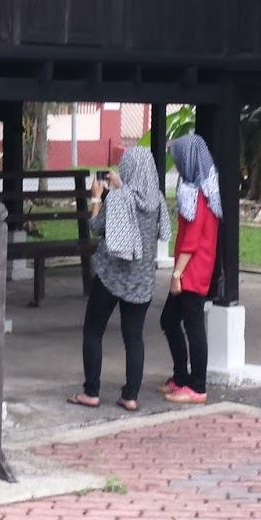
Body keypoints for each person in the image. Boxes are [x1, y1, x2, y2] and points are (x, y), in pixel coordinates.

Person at [69, 144, 169, 411]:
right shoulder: (157, 199)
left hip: (112, 277)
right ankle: (130, 396)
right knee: (133, 336)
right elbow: (139, 206)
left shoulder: (117, 198)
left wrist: (96, 198)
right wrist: (120, 187)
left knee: (93, 331)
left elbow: (95, 227)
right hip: (142, 279)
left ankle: (91, 392)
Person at [159, 133, 221, 404]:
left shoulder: (195, 195)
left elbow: (191, 241)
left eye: (178, 157)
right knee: (170, 321)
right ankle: (181, 378)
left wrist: (176, 275)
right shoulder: (204, 190)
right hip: (195, 269)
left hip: (192, 272)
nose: (176, 162)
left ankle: (197, 386)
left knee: (193, 326)